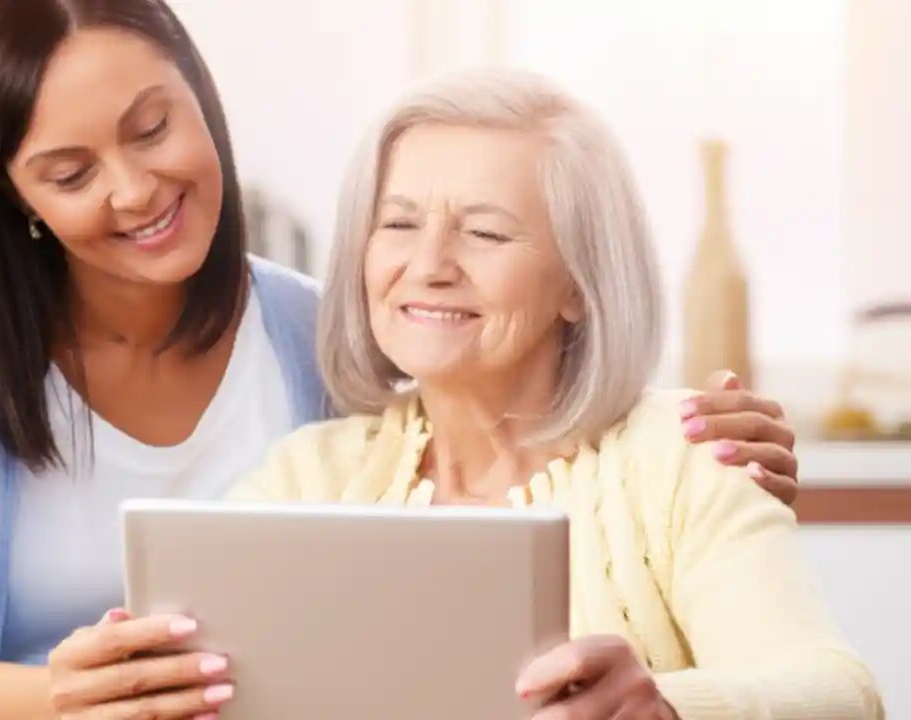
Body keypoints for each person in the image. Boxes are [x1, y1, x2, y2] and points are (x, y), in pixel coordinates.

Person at [0, 2, 806, 719]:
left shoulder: (309, 330)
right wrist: (60, 699)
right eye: (69, 171)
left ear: (204, 100)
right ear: (15, 200)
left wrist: (681, 444)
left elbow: (493, 377)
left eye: (153, 126)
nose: (132, 189)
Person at [226, 68, 884, 719]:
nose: (428, 266)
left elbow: (840, 695)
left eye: (484, 232)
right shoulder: (305, 476)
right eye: (399, 224)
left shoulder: (681, 459)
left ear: (578, 281)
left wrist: (668, 708)